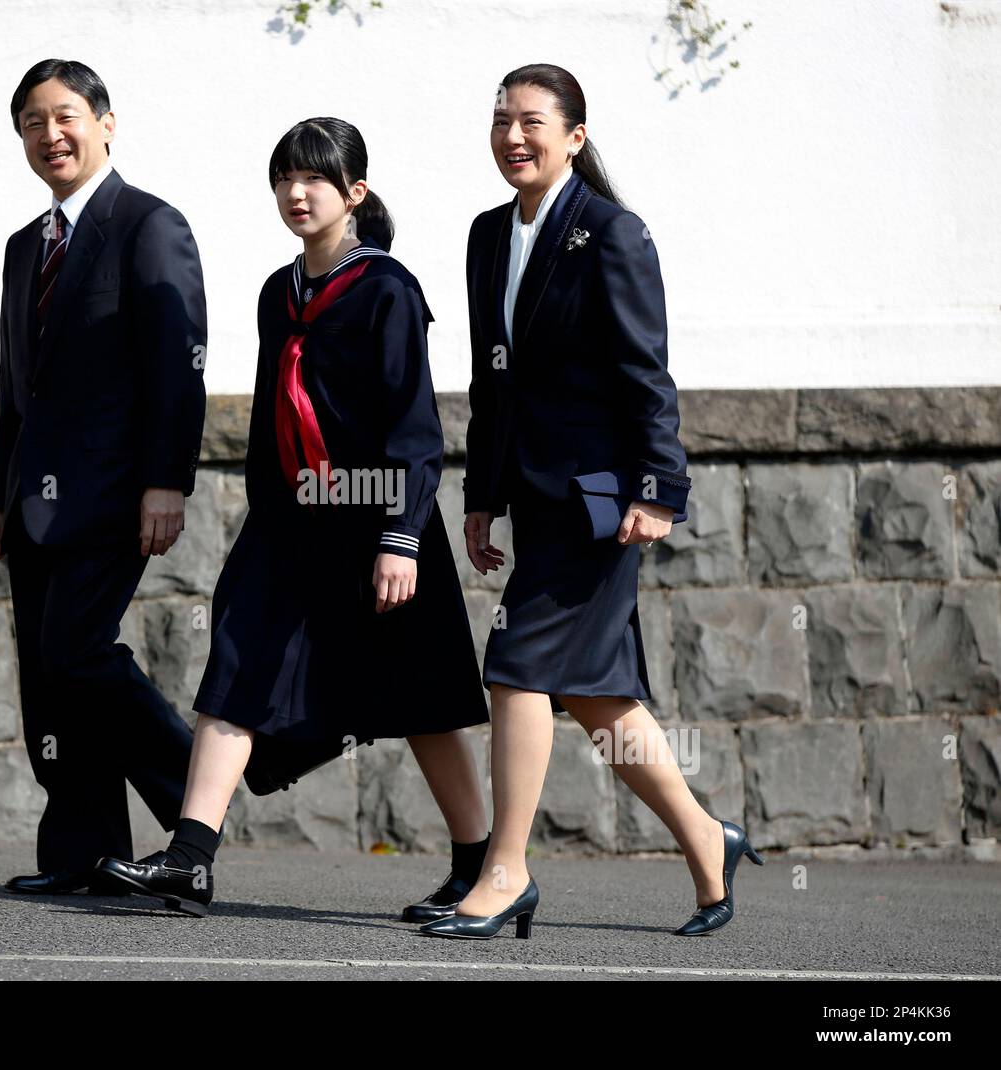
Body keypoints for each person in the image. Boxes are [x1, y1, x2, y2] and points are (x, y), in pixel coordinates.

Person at [95, 117, 493, 920]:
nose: (296, 193)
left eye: (314, 179)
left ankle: (481, 867)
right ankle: (189, 859)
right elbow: (273, 417)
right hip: (290, 523)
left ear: (355, 193)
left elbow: (415, 430)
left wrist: (400, 537)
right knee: (234, 670)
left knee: (426, 702)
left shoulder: (388, 290)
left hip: (376, 523)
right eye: (284, 177)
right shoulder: (278, 292)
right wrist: (262, 520)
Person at [423, 64, 763, 940]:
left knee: (514, 668)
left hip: (603, 504)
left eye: (532, 122)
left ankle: (505, 871)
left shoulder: (612, 232)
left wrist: (658, 490)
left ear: (575, 135)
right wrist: (481, 494)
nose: (512, 137)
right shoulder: (486, 236)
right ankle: (707, 838)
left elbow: (646, 373)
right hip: (532, 499)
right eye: (500, 121)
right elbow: (489, 379)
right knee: (600, 700)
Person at [0, 59, 207, 895]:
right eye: (33, 123)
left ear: (107, 122)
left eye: (66, 116)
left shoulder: (149, 224)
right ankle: (82, 853)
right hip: (33, 501)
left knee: (77, 650)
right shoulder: (23, 247)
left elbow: (176, 369)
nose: (51, 135)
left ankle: (197, 790)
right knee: (45, 678)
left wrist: (166, 481)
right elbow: (16, 387)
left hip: (115, 491)